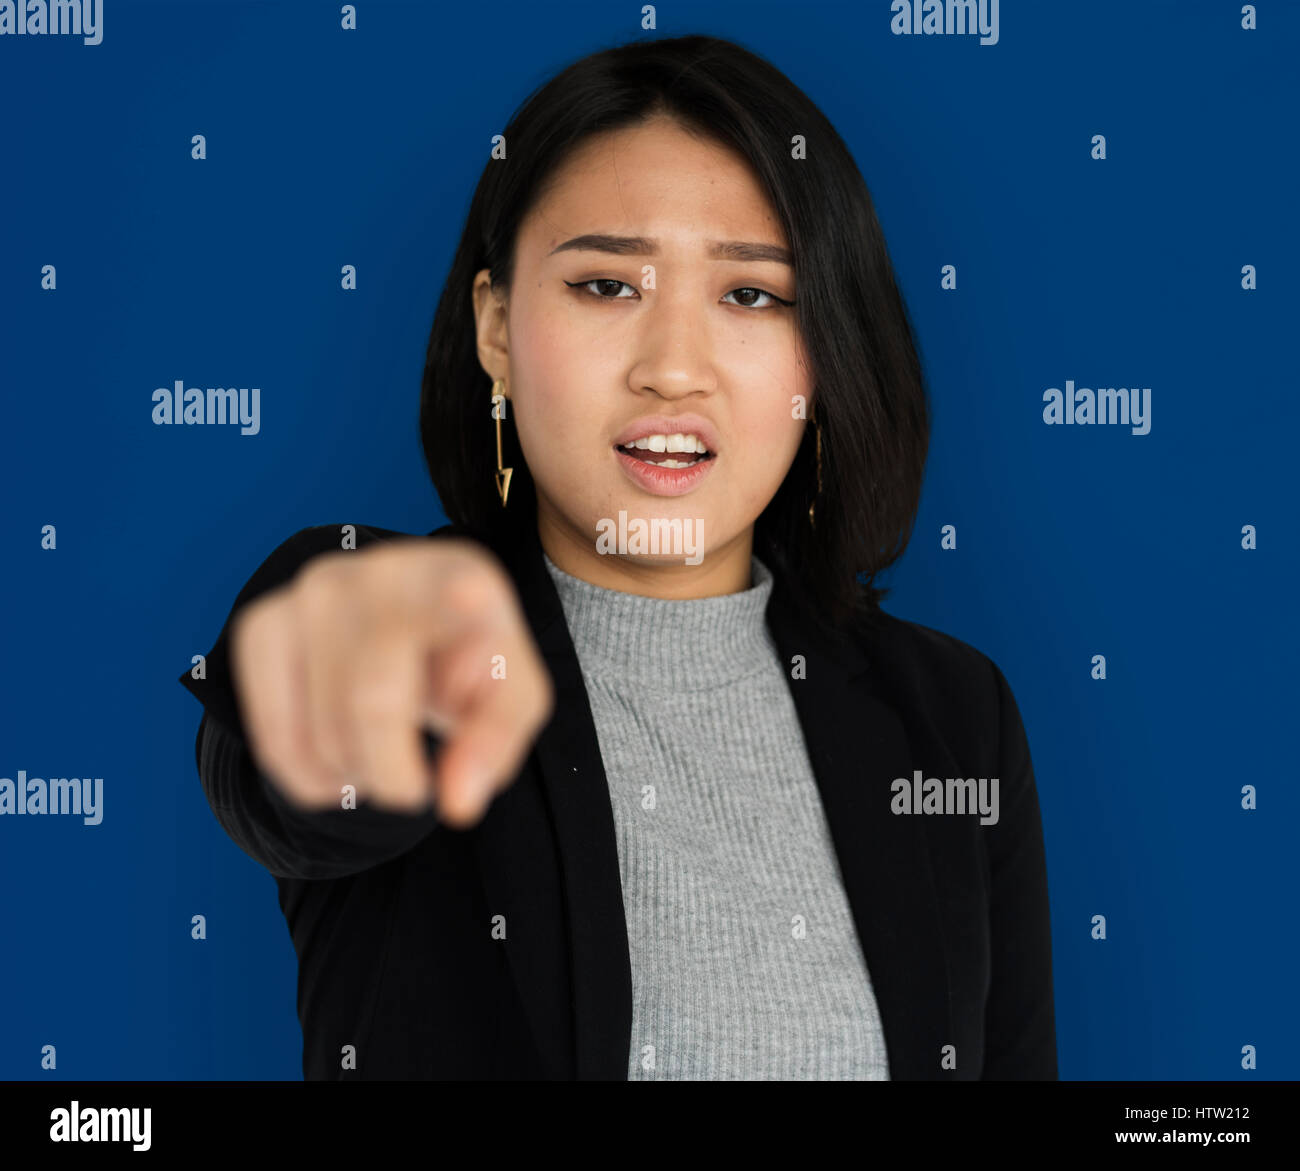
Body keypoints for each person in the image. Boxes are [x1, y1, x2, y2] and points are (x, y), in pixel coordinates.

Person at [178, 33, 1056, 1081]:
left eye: (751, 295)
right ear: (496, 326)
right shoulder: (404, 627)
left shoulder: (951, 715)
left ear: (822, 358)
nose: (672, 368)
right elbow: (293, 776)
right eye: (605, 286)